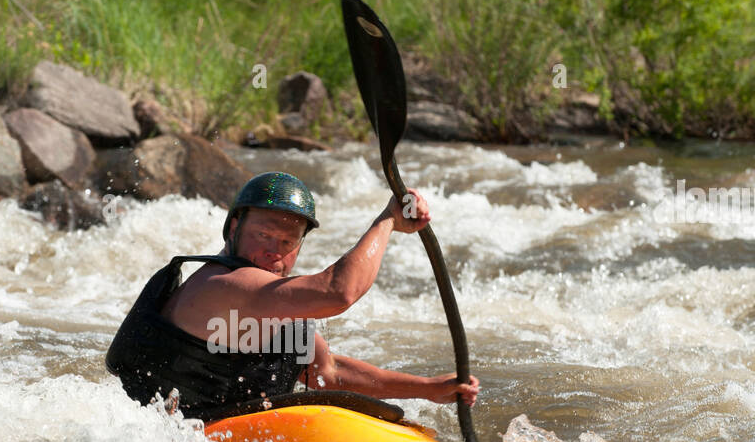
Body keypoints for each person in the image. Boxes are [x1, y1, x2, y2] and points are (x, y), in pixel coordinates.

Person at [106, 171, 479, 418]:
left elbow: (328, 374)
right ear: (234, 226)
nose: (275, 251)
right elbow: (339, 292)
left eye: (287, 241)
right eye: (264, 236)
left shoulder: (273, 306)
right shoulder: (223, 287)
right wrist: (387, 222)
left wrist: (428, 389)